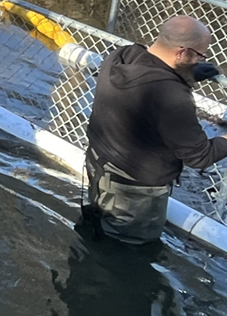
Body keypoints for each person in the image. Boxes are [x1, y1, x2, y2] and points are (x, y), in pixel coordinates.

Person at [84, 15, 227, 243]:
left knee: (96, 230)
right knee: (126, 251)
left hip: (99, 165)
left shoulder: (121, 56)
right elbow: (200, 156)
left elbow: (154, 72)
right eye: (200, 55)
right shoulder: (171, 96)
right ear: (182, 53)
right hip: (134, 195)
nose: (201, 59)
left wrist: (192, 72)